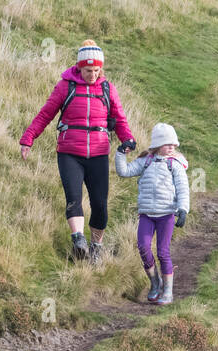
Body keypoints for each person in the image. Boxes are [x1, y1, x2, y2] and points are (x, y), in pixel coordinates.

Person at [19, 40, 137, 263]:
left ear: (101, 69)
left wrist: (128, 139)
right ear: (78, 67)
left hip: (99, 153)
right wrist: (28, 138)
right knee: (74, 199)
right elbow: (46, 114)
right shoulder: (66, 86)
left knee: (100, 204)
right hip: (69, 152)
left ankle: (96, 247)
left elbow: (120, 119)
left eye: (95, 70)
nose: (92, 75)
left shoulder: (107, 88)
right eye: (87, 70)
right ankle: (78, 240)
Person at [114, 123, 190, 304]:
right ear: (157, 145)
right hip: (147, 215)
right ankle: (155, 283)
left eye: (174, 144)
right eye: (167, 144)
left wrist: (183, 209)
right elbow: (124, 171)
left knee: (163, 252)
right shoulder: (145, 161)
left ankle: (168, 291)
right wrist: (120, 153)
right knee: (143, 247)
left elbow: (183, 188)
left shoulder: (175, 164)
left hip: (167, 215)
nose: (171, 147)